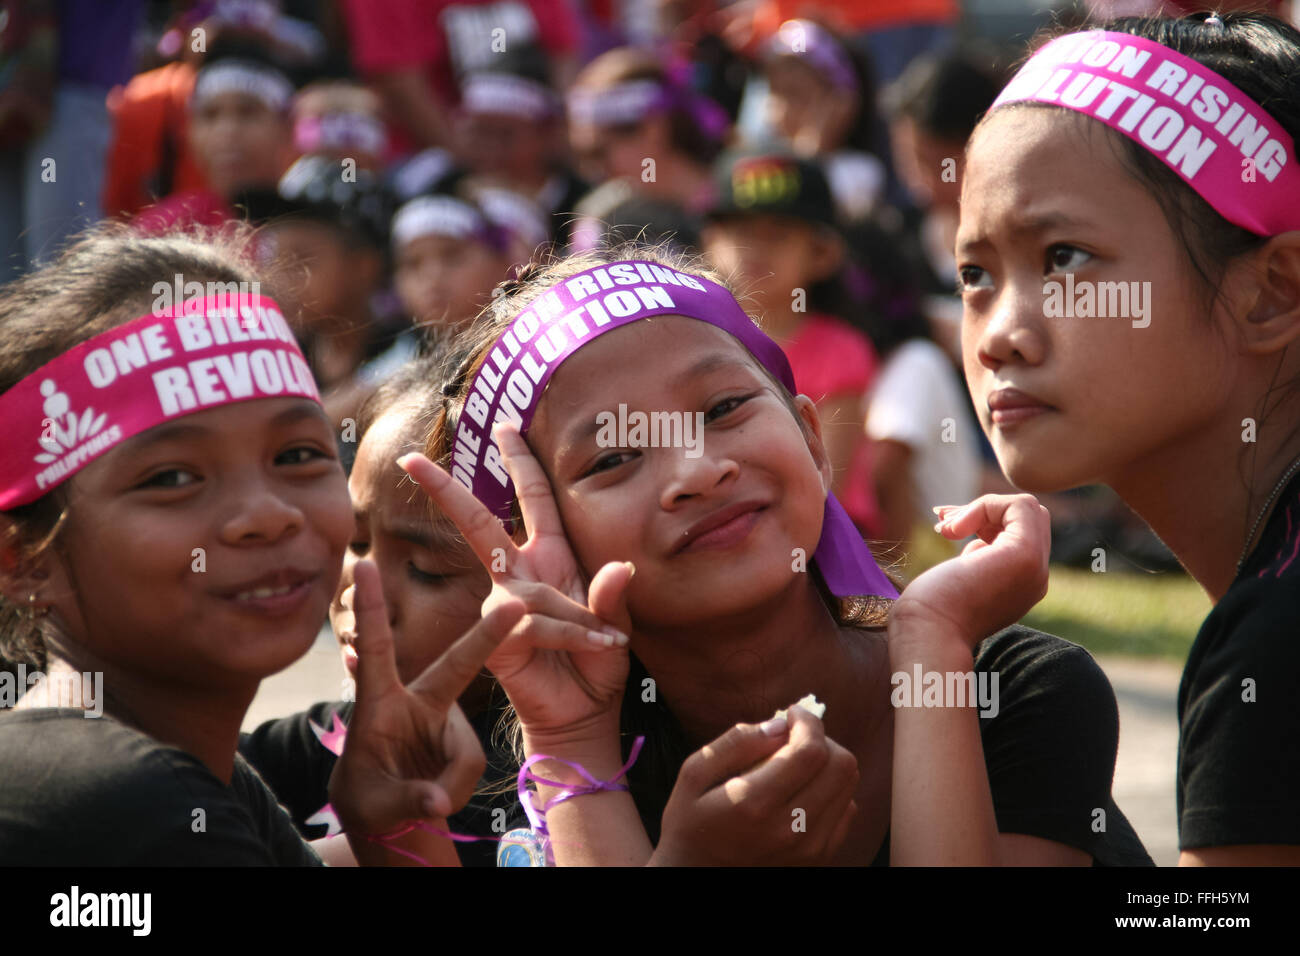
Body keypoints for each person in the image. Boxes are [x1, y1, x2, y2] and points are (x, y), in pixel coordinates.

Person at [401, 245, 1153, 866]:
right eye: (615, 457)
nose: (697, 470)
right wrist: (570, 741)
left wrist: (930, 641)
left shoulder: (1004, 689)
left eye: (725, 409)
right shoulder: (518, 794)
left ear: (812, 442)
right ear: (544, 549)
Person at [0, 224, 538, 866]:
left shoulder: (211, 781)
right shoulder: (128, 804)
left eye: (296, 455)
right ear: (24, 558)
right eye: (173, 477)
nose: (267, 514)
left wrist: (391, 825)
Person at [956, 12, 1300, 864]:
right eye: (975, 275)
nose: (1001, 333)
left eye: (1065, 258)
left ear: (1271, 293)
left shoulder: (1277, 643)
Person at [239, 352, 518, 866]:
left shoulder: (525, 780)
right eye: (358, 542)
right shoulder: (323, 739)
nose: (361, 590)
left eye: (425, 569)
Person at [701, 150, 882, 537]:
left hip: (822, 543)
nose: (755, 248)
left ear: (822, 254)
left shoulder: (843, 350)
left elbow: (829, 478)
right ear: (711, 243)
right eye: (741, 232)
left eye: (777, 235)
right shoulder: (696, 342)